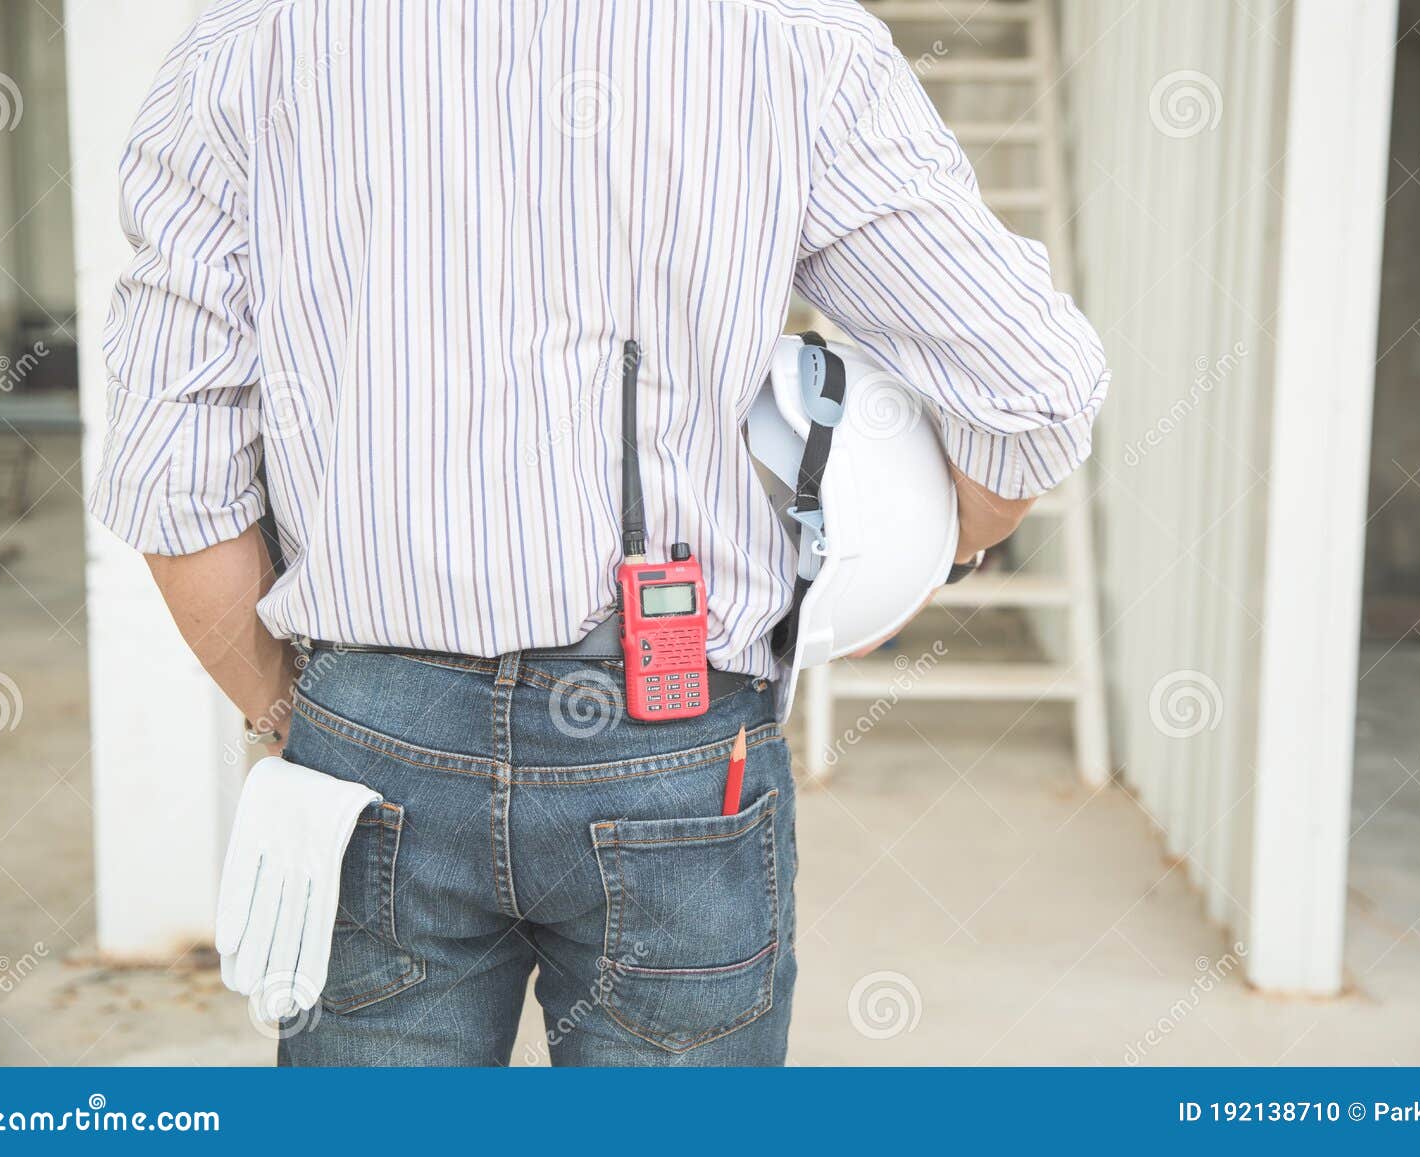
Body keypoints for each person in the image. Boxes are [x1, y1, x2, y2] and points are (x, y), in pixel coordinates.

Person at [91, 0, 1108, 1067]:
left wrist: (292, 716)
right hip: (676, 734)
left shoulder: (251, 44)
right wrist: (921, 553)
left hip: (367, 741)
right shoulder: (791, 40)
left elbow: (176, 477)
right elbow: (1029, 392)